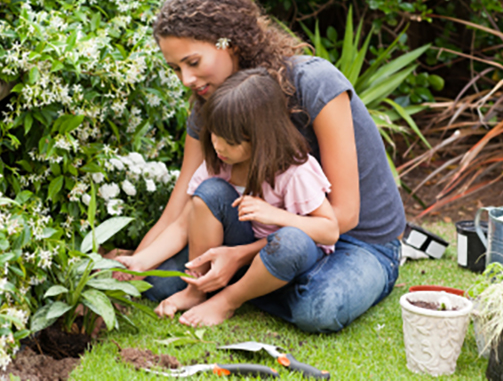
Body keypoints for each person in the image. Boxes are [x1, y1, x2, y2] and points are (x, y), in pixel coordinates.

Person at [132, 0, 405, 332]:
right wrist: (131, 269)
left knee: (320, 308)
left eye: (193, 61)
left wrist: (239, 255)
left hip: (354, 240)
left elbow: (344, 216)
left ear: (228, 42)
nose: (186, 79)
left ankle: (241, 288)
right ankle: (259, 280)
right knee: (161, 283)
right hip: (266, 228)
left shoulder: (314, 83)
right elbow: (182, 204)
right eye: (176, 68)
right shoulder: (208, 104)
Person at [116, 70, 339, 320]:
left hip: (279, 259)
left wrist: (275, 215)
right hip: (232, 251)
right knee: (158, 287)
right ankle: (195, 289)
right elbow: (182, 226)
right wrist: (141, 261)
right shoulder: (218, 163)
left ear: (262, 138)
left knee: (290, 244)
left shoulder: (294, 171)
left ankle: (230, 300)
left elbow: (330, 230)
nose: (219, 147)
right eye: (215, 135)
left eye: (230, 142)